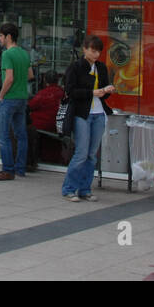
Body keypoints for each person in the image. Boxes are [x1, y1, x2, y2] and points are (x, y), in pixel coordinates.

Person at [61, 36, 113, 201]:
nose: (96, 54)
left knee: (91, 154)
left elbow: (103, 92)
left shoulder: (101, 67)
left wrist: (106, 91)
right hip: (82, 113)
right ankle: (69, 189)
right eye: (93, 50)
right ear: (84, 49)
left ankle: (85, 189)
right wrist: (92, 92)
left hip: (98, 113)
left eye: (98, 51)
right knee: (81, 153)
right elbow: (70, 91)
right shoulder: (76, 67)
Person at [0, 22, 33, 181]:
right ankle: (20, 168)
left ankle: (7, 169)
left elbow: (9, 78)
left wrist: (1, 95)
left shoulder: (7, 54)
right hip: (22, 98)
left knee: (2, 136)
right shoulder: (24, 53)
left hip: (9, 98)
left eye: (1, 36)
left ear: (8, 37)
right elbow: (30, 75)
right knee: (21, 135)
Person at [27, 71, 66, 167]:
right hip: (59, 125)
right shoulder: (63, 93)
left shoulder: (43, 94)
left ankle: (30, 160)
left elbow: (30, 106)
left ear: (45, 80)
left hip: (43, 125)